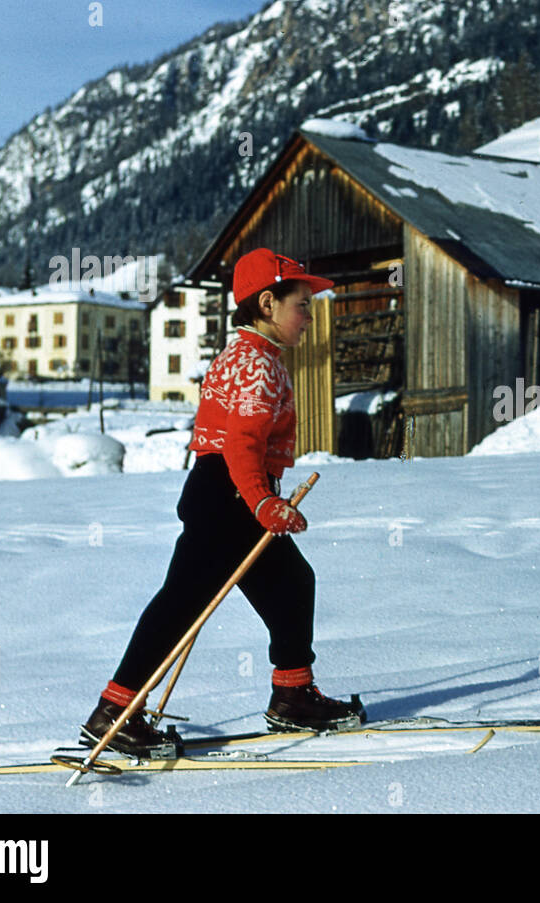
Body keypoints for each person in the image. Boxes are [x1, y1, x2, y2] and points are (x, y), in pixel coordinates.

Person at [81, 248, 359, 756]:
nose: (309, 317)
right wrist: (263, 502)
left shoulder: (246, 354)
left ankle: (293, 694)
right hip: (230, 495)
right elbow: (241, 445)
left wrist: (259, 498)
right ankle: (116, 713)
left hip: (224, 492)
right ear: (268, 303)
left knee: (289, 583)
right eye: (302, 304)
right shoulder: (258, 365)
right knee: (182, 604)